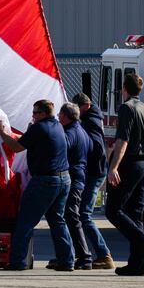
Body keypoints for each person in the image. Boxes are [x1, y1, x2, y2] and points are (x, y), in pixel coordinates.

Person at [0, 100, 74, 271]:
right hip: (64, 179)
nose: (33, 115)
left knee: (26, 221)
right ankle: (67, 261)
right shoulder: (57, 126)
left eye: (36, 112)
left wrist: (1, 131)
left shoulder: (39, 128)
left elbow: (16, 147)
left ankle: (17, 261)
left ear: (44, 114)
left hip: (45, 181)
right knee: (57, 221)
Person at [105, 73, 144, 276]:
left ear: (124, 89)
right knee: (135, 213)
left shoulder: (127, 108)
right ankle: (137, 263)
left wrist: (113, 168)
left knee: (113, 210)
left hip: (130, 163)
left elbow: (122, 140)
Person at [72, 92, 114, 269]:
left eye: (77, 108)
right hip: (95, 171)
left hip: (93, 172)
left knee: (84, 214)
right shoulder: (92, 118)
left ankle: (104, 254)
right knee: (81, 214)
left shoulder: (89, 122)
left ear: (85, 106)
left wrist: (83, 158)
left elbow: (96, 147)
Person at [50, 102, 92, 270]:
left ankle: (84, 257)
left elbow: (62, 147)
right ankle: (75, 256)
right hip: (79, 176)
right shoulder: (81, 131)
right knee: (70, 217)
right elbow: (92, 148)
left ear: (65, 117)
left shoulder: (71, 132)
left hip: (73, 178)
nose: (58, 118)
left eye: (60, 115)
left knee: (71, 217)